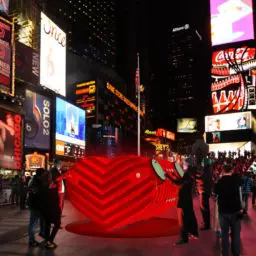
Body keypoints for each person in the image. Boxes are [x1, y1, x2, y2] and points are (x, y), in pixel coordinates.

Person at [165, 157, 199, 245]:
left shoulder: (187, 174)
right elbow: (182, 181)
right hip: (188, 199)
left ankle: (184, 238)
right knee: (190, 216)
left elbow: (179, 183)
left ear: (187, 164)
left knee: (182, 219)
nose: (183, 164)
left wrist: (168, 177)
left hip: (184, 199)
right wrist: (174, 176)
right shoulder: (191, 173)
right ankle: (194, 233)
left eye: (184, 162)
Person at [215, 162, 243, 256]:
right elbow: (241, 182)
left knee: (224, 234)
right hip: (235, 210)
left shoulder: (220, 181)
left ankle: (225, 253)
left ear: (223, 171)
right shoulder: (235, 180)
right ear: (231, 171)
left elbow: (215, 191)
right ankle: (236, 253)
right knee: (236, 234)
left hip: (223, 211)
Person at [27, 168, 48, 247]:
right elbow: (38, 194)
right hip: (36, 205)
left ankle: (42, 233)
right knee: (33, 223)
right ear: (41, 174)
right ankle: (31, 240)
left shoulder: (33, 180)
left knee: (41, 221)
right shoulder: (38, 182)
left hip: (35, 205)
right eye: (44, 174)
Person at [44, 173, 61, 249]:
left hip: (46, 211)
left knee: (47, 226)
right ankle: (49, 241)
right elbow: (56, 203)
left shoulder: (46, 190)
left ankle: (47, 241)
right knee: (57, 224)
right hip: (53, 211)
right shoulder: (54, 192)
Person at [196, 157, 213, 230]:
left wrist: (196, 177)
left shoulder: (207, 172)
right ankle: (206, 223)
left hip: (204, 192)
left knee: (204, 209)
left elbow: (202, 180)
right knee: (204, 208)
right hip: (205, 191)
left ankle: (206, 225)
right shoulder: (208, 171)